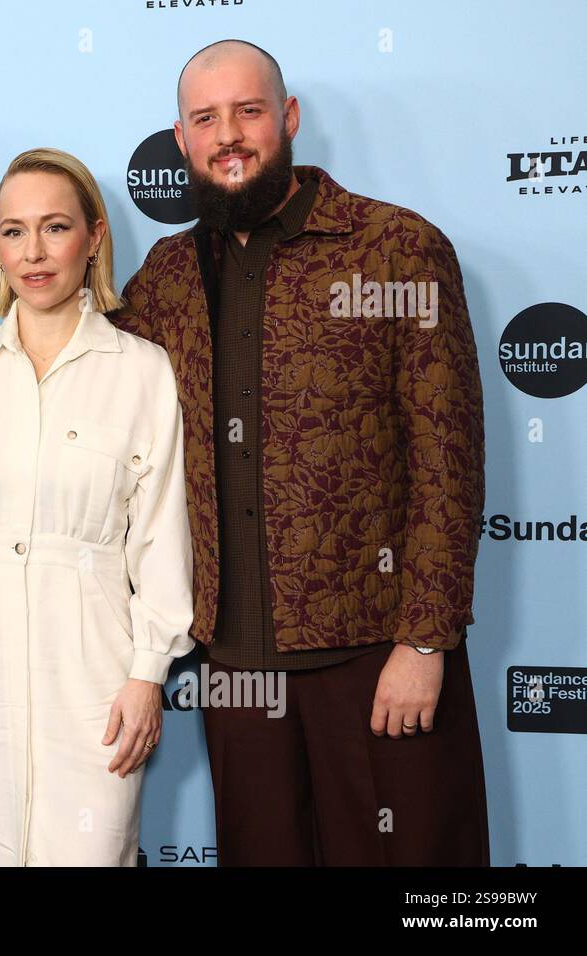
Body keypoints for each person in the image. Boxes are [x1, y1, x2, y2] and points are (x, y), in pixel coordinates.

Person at [115, 39, 489, 865]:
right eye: (205, 119)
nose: (229, 136)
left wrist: (425, 643)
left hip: (376, 657)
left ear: (286, 119)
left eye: (248, 111)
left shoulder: (394, 249)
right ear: (181, 140)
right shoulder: (168, 276)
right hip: (237, 672)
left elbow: (447, 460)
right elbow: (92, 392)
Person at [0, 148, 195, 866]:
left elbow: (160, 541)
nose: (33, 251)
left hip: (97, 680)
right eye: (12, 230)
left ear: (95, 236)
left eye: (55, 227)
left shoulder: (142, 374)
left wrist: (149, 673)